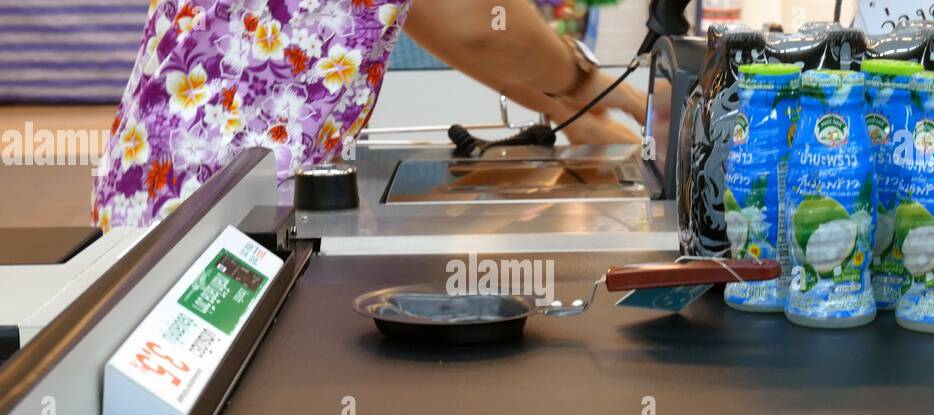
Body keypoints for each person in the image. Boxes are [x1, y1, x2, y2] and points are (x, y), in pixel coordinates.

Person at [92, 0, 651, 230]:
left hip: (158, 186)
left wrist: (582, 104)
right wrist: (591, 87)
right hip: (223, 210)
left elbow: (436, 18)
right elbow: (479, 24)